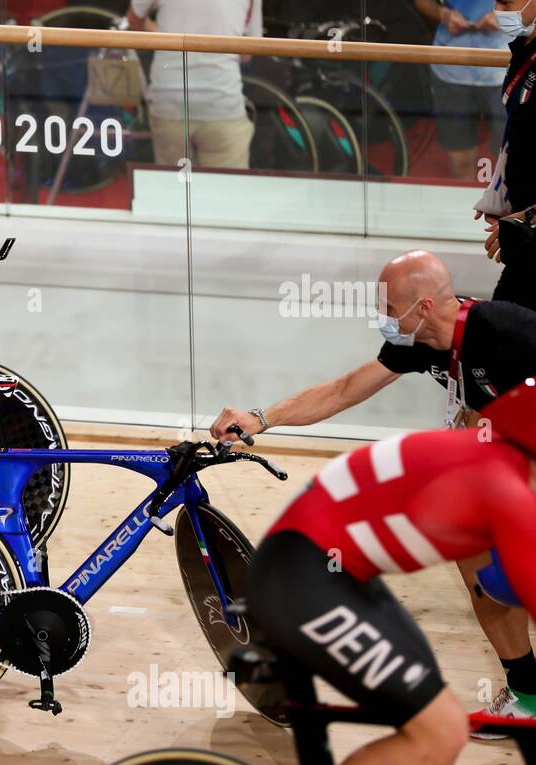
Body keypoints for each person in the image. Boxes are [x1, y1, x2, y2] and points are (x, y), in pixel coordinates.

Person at [211, 249, 536, 734]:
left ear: (422, 307)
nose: (381, 318)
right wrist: (261, 417)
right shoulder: (426, 342)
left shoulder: (507, 331)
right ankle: (528, 693)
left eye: (387, 307)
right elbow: (344, 390)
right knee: (475, 559)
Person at [245, 378, 536, 765]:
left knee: (437, 731)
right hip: (307, 578)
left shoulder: (484, 455)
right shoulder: (503, 484)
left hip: (327, 573)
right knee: (441, 729)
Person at [125, 0, 261, 171]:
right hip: (222, 101)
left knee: (175, 190)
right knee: (226, 193)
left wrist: (168, 37)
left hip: (169, 99)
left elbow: (134, 19)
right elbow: (250, 48)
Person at [476, 0, 536, 310]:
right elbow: (518, 134)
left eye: (507, 3)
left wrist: (529, 218)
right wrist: (499, 191)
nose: (499, 10)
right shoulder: (524, 50)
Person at [414, 0, 507, 182]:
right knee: (460, 161)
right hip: (451, 68)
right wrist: (443, 14)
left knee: (511, 161)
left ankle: (511, 208)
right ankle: (466, 210)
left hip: (506, 67)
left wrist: (509, 16)